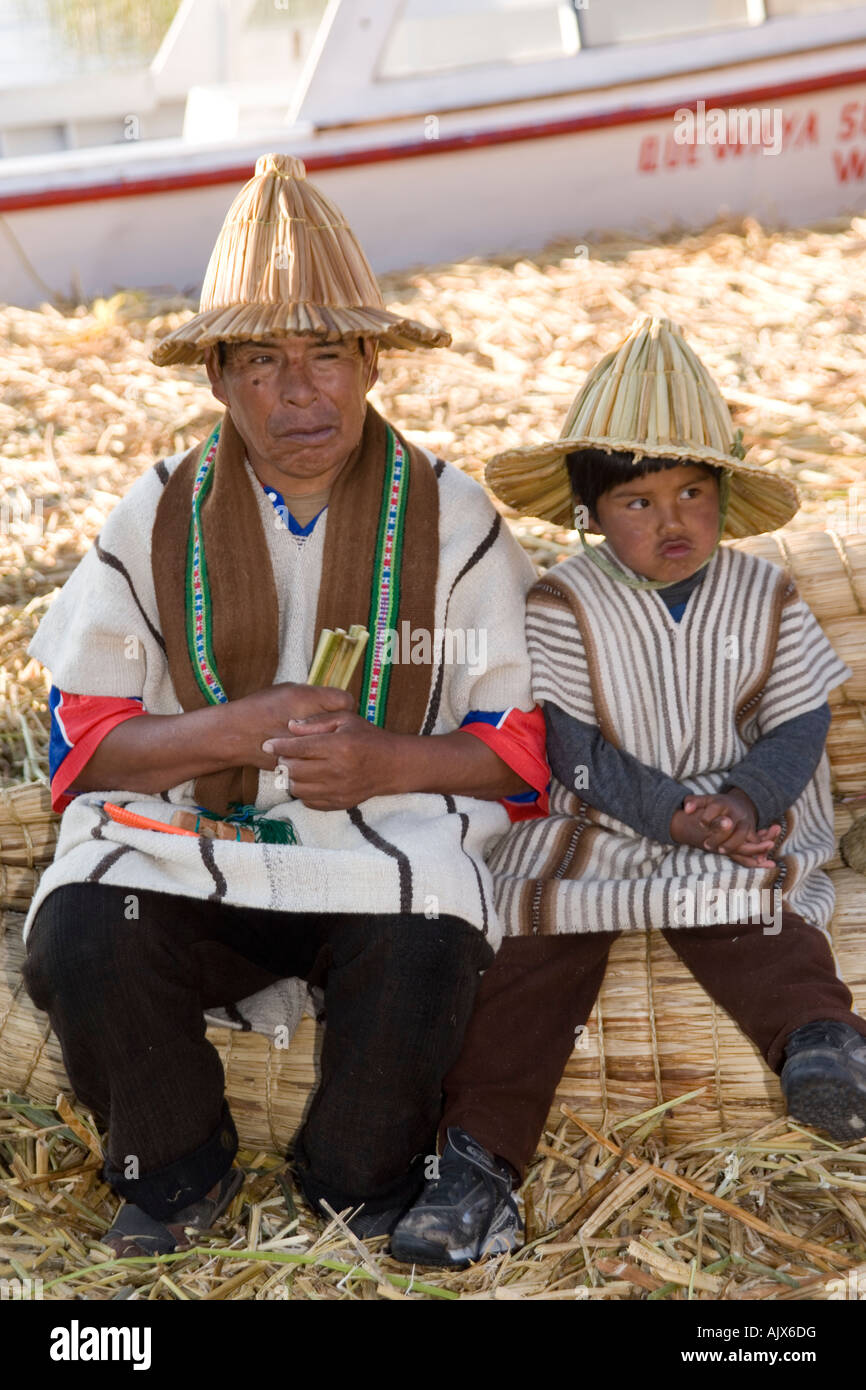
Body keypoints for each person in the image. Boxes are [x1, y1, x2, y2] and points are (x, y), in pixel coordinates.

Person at [21, 153, 551, 1257]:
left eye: (325, 356)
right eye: (262, 360)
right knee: (83, 922)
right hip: (189, 845)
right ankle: (173, 1169)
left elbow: (518, 746)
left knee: (426, 927)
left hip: (379, 851)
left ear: (370, 363)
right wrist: (227, 730)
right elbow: (81, 741)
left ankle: (349, 1176)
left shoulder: (454, 519)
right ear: (215, 375)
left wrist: (386, 767)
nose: (298, 392)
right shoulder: (157, 514)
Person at [390, 315, 866, 1268]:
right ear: (589, 513)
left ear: (725, 498)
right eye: (638, 502)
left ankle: (823, 1043)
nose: (672, 520)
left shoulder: (762, 595)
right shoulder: (561, 603)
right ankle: (476, 1162)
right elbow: (573, 749)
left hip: (748, 817)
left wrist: (743, 803)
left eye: (694, 492)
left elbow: (799, 717)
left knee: (752, 908)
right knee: (536, 937)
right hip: (602, 821)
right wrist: (674, 815)